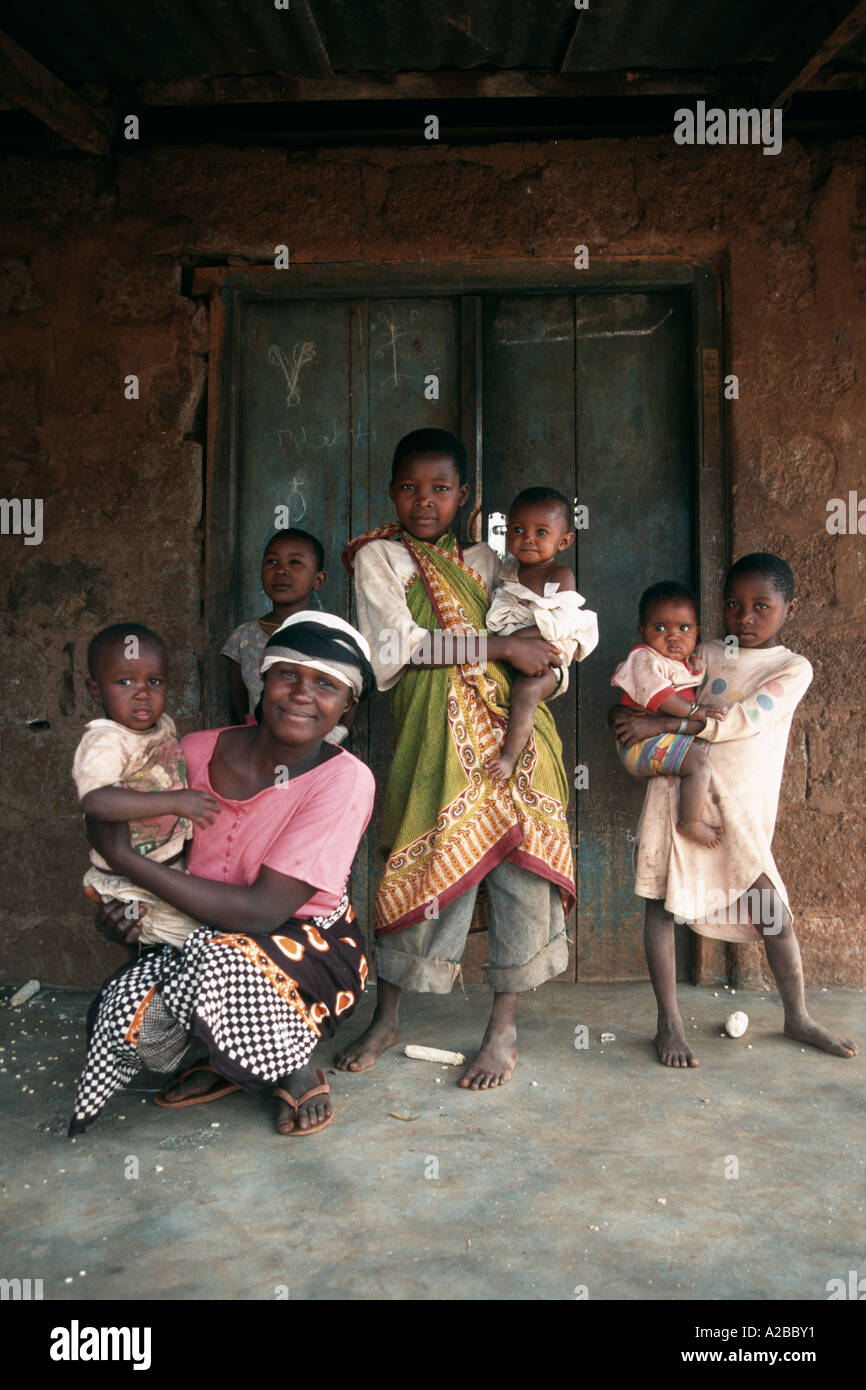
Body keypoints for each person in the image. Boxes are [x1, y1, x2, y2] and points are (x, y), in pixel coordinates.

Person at [68, 613, 377, 1138]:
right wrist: (126, 914)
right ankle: (223, 1058)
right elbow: (150, 848)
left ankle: (295, 1069)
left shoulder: (345, 780)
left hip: (310, 948)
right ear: (263, 679)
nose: (302, 694)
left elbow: (262, 911)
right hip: (200, 933)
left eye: (326, 684)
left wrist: (125, 861)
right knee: (124, 1018)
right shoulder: (192, 752)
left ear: (347, 705)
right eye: (289, 675)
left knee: (219, 957)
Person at [337, 428, 573, 1091]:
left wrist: (542, 674)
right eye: (410, 488)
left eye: (441, 489)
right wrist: (502, 653)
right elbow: (398, 648)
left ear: (464, 495)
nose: (424, 501)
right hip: (433, 742)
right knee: (423, 863)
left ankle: (503, 1027)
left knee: (520, 880)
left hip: (516, 745)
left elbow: (548, 638)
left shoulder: (491, 563)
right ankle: (387, 1017)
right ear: (391, 493)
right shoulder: (380, 559)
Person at [612, 553, 858, 1068]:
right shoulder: (702, 652)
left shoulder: (791, 669)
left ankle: (797, 1015)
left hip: (739, 811)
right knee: (660, 905)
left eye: (760, 607)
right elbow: (653, 687)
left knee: (774, 913)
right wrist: (628, 713)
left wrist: (661, 727)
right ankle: (669, 1023)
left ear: (790, 608)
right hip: (678, 792)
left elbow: (743, 719)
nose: (744, 618)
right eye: (733, 605)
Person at [72, 623, 220, 948]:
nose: (142, 692)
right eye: (125, 681)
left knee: (197, 933)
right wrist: (175, 802)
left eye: (154, 681)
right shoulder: (107, 741)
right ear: (96, 691)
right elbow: (97, 801)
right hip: (130, 883)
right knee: (197, 944)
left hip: (168, 866)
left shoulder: (160, 725)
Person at [484, 485, 598, 783]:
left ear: (564, 541)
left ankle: (509, 757)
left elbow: (563, 622)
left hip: (548, 659)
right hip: (511, 651)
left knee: (527, 690)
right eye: (518, 529)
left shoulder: (558, 575)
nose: (528, 538)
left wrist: (517, 640)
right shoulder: (506, 571)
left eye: (542, 532)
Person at [611, 581, 728, 848]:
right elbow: (661, 698)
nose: (673, 636)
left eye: (684, 628)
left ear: (697, 631)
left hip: (659, 737)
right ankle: (690, 822)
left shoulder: (688, 664)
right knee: (700, 765)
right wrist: (697, 712)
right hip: (639, 744)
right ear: (642, 632)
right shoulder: (644, 658)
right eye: (660, 628)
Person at [221, 527, 327, 723]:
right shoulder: (244, 637)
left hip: (316, 748)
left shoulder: (331, 636)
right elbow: (240, 708)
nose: (280, 570)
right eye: (271, 561)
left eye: (295, 562)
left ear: (318, 580)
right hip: (259, 746)